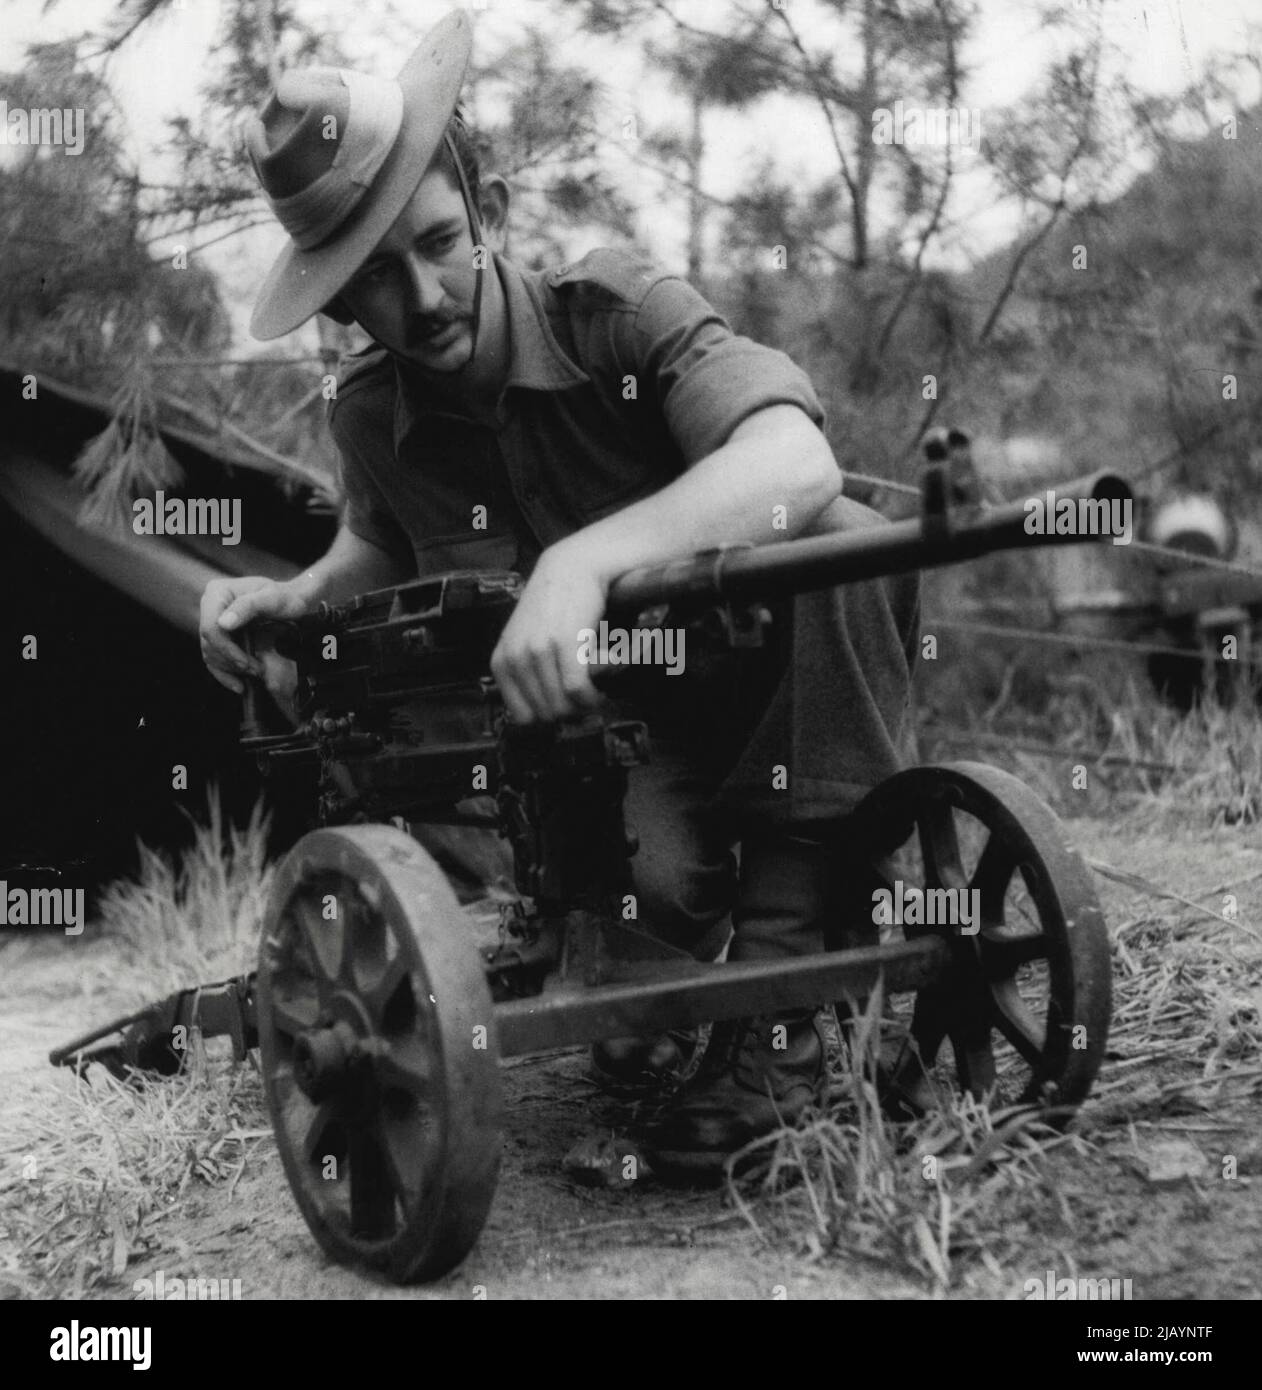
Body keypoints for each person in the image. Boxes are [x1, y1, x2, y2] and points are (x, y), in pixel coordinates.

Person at [198, 9, 919, 1178]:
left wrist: (578, 567)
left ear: (482, 203)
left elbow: (792, 462)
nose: (422, 299)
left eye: (436, 240)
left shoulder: (615, 315)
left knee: (839, 539)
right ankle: (664, 953)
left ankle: (784, 1012)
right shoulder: (371, 417)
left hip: (769, 705)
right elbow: (379, 547)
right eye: (374, 282)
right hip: (604, 752)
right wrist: (292, 597)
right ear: (337, 305)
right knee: (646, 948)